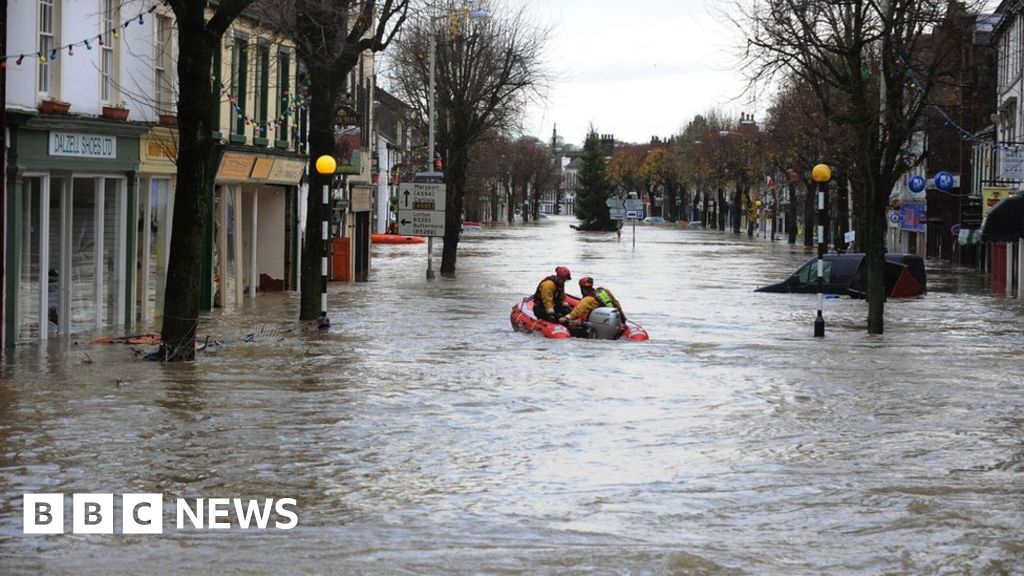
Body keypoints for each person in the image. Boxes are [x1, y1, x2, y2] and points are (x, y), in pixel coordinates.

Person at [559, 276, 627, 328]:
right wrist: (623, 317)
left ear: (581, 287)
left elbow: (577, 311)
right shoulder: (604, 291)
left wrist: (566, 318)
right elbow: (616, 303)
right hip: (613, 320)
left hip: (599, 324)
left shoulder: (587, 299)